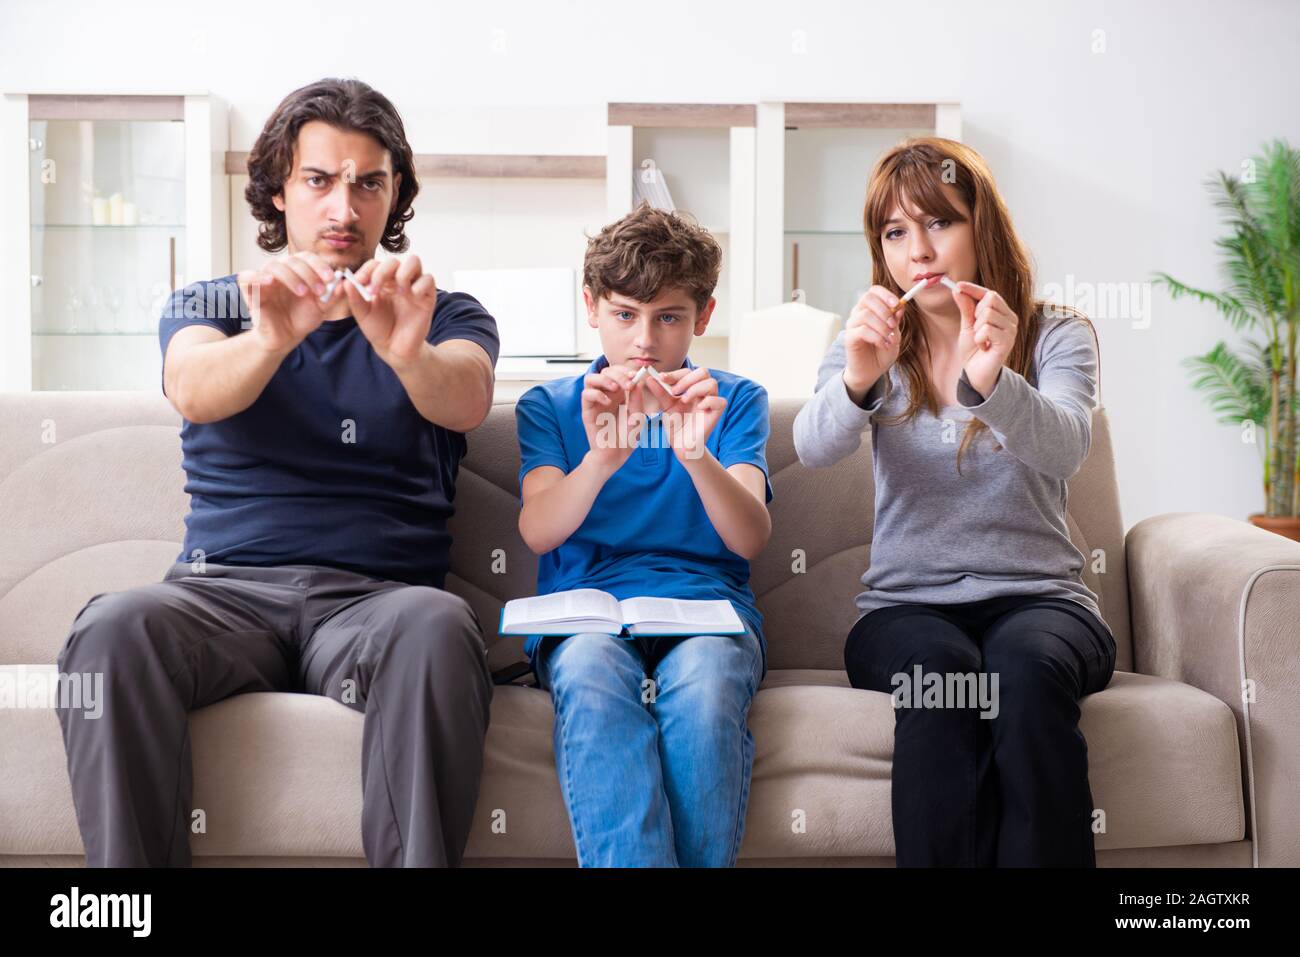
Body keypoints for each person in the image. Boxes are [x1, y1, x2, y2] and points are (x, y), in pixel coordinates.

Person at [54, 77, 500, 867]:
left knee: (438, 627)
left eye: (370, 183)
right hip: (221, 592)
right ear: (278, 192)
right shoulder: (212, 303)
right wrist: (270, 340)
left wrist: (405, 353)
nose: (344, 207)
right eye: (319, 180)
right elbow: (193, 386)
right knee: (112, 628)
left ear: (393, 199)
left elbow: (466, 397)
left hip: (380, 601)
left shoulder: (439, 311)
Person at [793, 137, 1116, 867]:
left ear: (981, 227)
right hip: (908, 608)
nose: (919, 251)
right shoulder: (868, 341)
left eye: (939, 222)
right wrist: (856, 377)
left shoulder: (1056, 333)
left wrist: (992, 381)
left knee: (1022, 675)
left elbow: (1066, 447)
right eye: (896, 232)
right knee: (940, 686)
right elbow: (812, 447)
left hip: (1041, 601)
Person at [514, 204, 773, 866]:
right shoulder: (549, 405)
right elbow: (539, 530)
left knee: (709, 681)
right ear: (592, 307)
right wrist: (603, 457)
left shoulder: (736, 400)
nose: (645, 341)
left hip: (708, 612)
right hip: (586, 615)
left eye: (669, 317)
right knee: (594, 673)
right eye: (625, 314)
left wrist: (695, 453)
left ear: (703, 317)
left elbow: (749, 537)